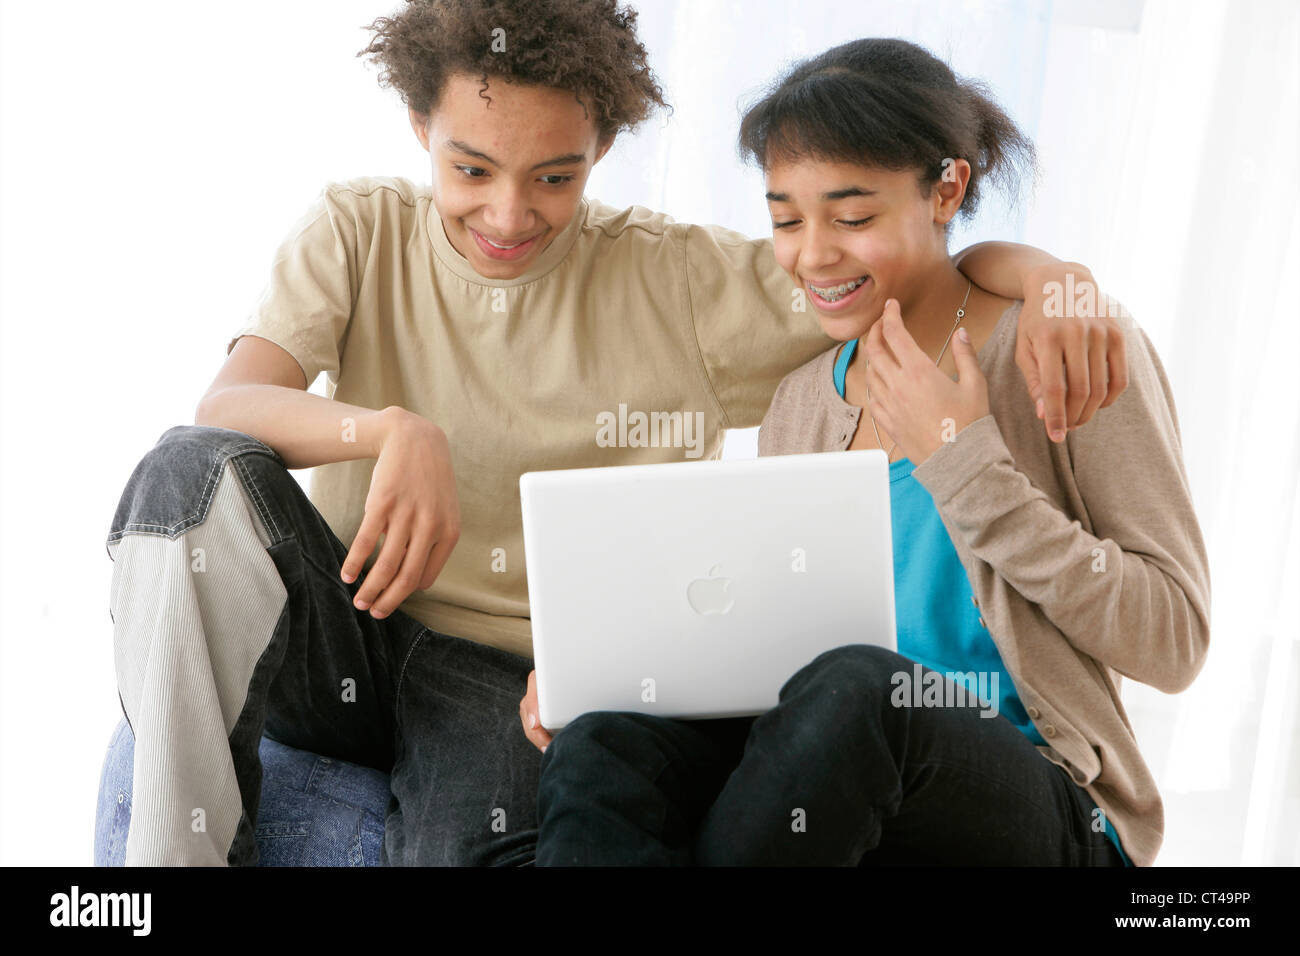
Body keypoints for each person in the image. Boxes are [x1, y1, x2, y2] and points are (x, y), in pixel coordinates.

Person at [106, 1, 1127, 866]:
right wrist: (386, 428)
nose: (509, 213)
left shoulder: (677, 281)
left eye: (555, 176)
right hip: (349, 617)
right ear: (419, 125)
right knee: (186, 476)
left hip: (507, 683)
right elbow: (228, 405)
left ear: (599, 147)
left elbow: (885, 257)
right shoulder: (356, 229)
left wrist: (1048, 275)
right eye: (471, 170)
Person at [530, 37, 1211, 866]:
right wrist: (605, 674)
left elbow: (1174, 641)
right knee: (607, 740)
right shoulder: (801, 403)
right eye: (786, 218)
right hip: (836, 786)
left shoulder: (1065, 350)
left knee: (863, 686)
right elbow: (768, 647)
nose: (812, 254)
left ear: (945, 190)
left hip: (1040, 800)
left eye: (852, 217)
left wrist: (962, 462)